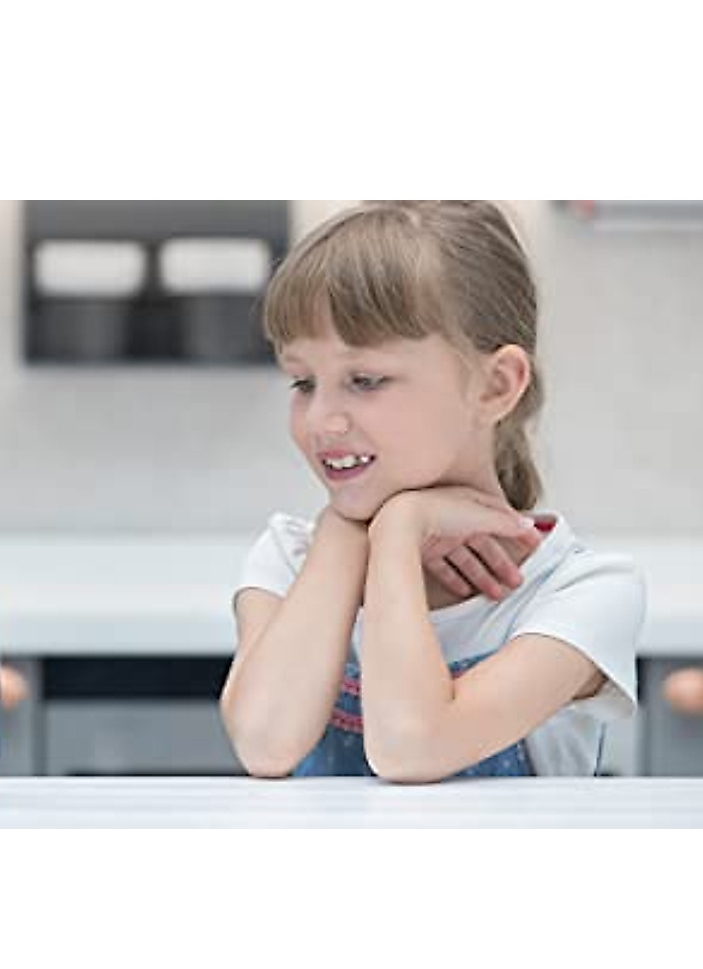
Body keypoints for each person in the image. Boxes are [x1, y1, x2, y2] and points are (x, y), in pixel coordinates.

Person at [220, 201, 646, 783]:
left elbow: (412, 747)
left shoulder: (579, 592)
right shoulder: (291, 560)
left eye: (365, 380)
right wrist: (345, 535)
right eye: (303, 382)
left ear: (495, 386)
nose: (321, 420)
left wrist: (398, 532)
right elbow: (266, 745)